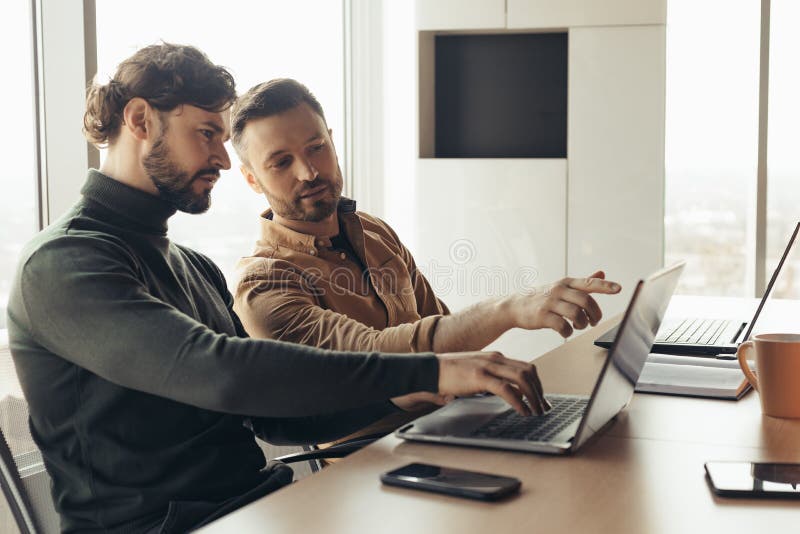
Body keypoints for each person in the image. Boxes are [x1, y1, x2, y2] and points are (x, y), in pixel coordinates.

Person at [6, 44, 547, 533]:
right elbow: (219, 373)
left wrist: (402, 390)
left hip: (256, 507)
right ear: (140, 119)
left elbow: (275, 419)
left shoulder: (191, 266)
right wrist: (431, 367)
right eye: (207, 134)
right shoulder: (63, 263)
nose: (220, 156)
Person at [230, 78, 622, 449]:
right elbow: (374, 357)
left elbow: (439, 330)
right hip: (370, 463)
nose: (310, 171)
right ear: (251, 180)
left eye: (316, 147)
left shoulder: (373, 231)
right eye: (281, 163)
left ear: (332, 142)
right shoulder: (264, 283)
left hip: (451, 426)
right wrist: (511, 309)